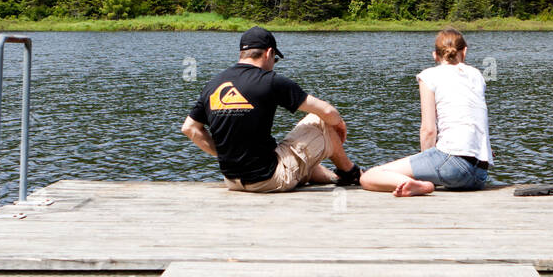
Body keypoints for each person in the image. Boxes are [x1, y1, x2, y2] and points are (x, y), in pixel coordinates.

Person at [182, 26, 362, 192]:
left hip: (232, 181)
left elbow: (189, 128)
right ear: (269, 53)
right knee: (320, 120)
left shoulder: (214, 84)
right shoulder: (271, 80)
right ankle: (350, 173)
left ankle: (333, 177)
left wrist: (224, 154)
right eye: (275, 59)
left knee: (287, 153)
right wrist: (339, 124)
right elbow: (327, 112)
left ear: (242, 54)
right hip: (268, 179)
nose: (274, 64)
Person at [359, 27, 491, 196]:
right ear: (464, 52)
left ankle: (420, 184)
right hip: (480, 174)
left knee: (370, 177)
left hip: (452, 164)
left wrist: (425, 168)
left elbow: (428, 130)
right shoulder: (477, 75)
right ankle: (425, 181)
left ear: (435, 55)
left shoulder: (429, 76)